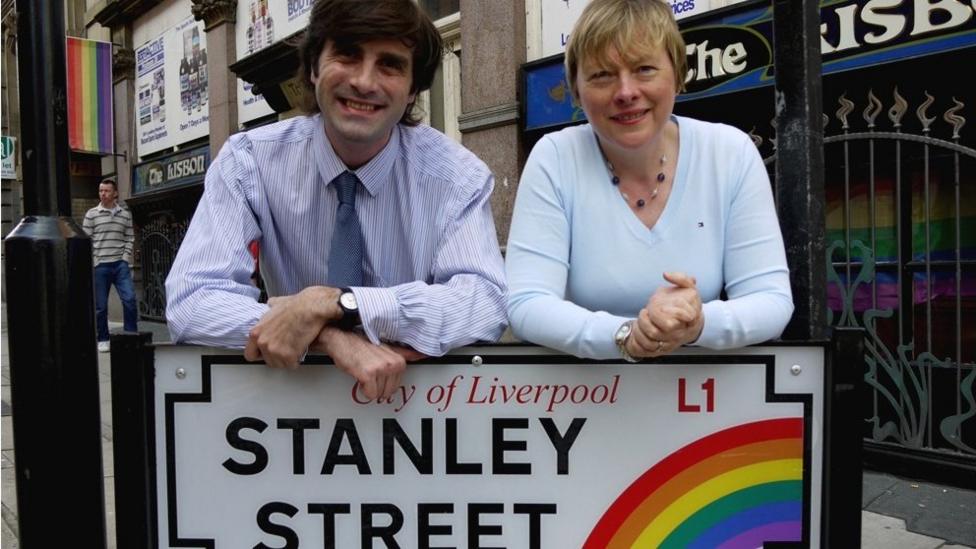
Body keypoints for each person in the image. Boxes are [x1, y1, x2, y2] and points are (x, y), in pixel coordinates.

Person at [165, 0, 507, 399]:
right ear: (313, 68)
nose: (364, 81)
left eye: (390, 65)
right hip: (294, 405)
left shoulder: (456, 177)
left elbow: (484, 304)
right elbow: (191, 302)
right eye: (347, 54)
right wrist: (326, 334)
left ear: (413, 88)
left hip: (416, 411)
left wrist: (342, 303)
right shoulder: (249, 162)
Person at [505, 0, 793, 361]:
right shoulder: (555, 157)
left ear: (678, 74)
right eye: (602, 75)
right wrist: (625, 335)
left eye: (644, 69)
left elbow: (772, 301)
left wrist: (698, 323)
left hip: (707, 401)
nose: (626, 92)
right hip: (585, 399)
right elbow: (526, 303)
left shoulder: (730, 152)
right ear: (577, 91)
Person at [84, 179, 138, 352]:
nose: (103, 194)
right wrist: (95, 260)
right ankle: (103, 338)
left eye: (106, 191)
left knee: (129, 299)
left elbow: (130, 236)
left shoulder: (125, 214)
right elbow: (86, 240)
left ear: (115, 193)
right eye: (100, 191)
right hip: (100, 266)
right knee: (101, 306)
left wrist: (124, 257)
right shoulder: (92, 214)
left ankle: (130, 335)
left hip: (120, 266)